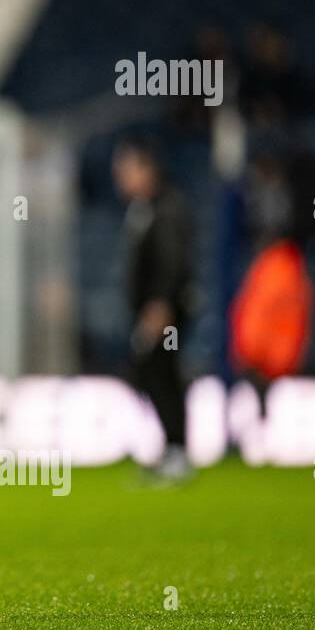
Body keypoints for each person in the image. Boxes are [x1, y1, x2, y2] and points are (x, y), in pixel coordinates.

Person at [112, 138, 194, 483]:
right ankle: (171, 449)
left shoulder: (166, 207)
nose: (120, 178)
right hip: (153, 309)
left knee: (161, 374)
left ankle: (176, 450)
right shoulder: (144, 208)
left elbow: (172, 259)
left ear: (147, 169)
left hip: (164, 313)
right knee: (153, 373)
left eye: (126, 170)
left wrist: (160, 305)